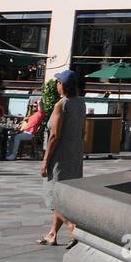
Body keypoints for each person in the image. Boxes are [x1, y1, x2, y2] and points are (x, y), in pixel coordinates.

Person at [39, 70, 86, 246]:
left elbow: (54, 135)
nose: (56, 84)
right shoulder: (81, 103)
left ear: (62, 85)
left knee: (54, 196)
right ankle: (52, 234)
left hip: (60, 152)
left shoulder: (61, 105)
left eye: (58, 81)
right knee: (65, 195)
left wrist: (45, 161)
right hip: (75, 151)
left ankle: (73, 229)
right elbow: (83, 131)